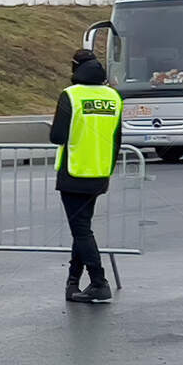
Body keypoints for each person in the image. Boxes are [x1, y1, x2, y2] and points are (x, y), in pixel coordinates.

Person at [50, 49, 121, 304]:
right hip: (99, 173)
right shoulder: (113, 97)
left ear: (75, 68)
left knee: (81, 231)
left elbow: (57, 137)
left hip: (74, 172)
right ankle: (73, 282)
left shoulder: (71, 96)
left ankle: (99, 282)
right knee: (82, 229)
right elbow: (117, 139)